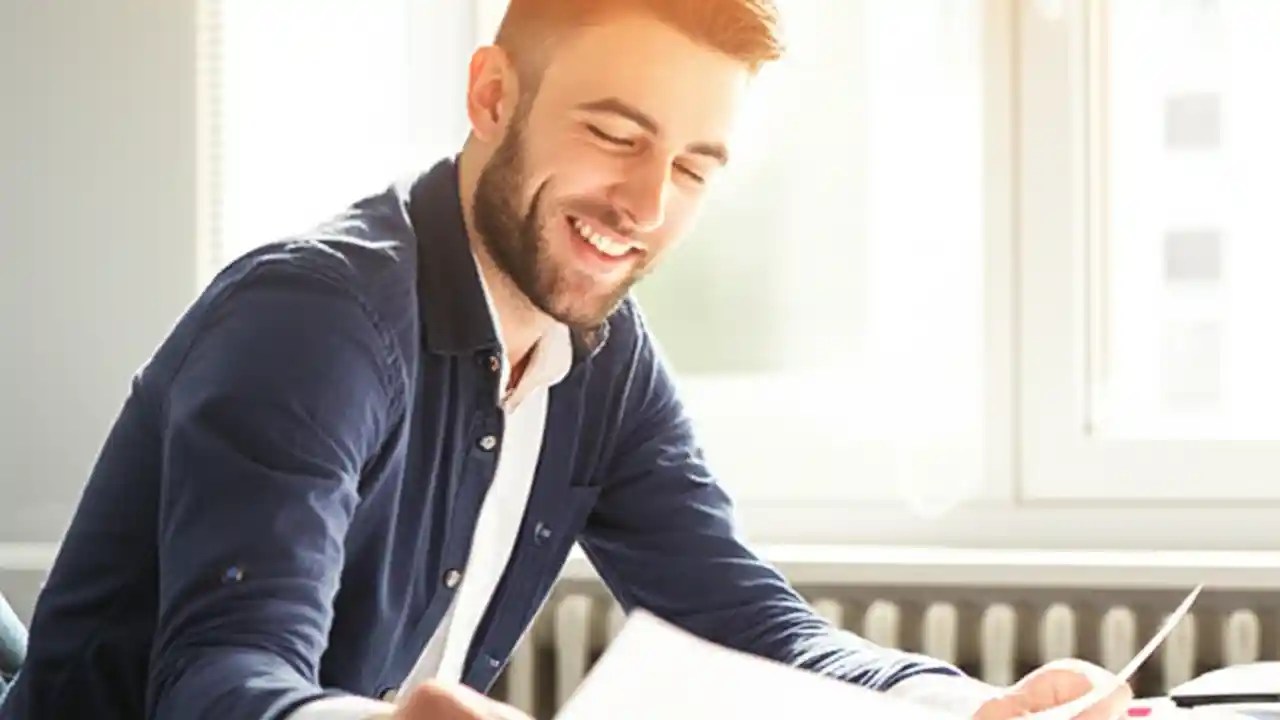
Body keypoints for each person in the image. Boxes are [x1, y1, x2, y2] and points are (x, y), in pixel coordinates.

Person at [0, 1, 1134, 718]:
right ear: (491, 95)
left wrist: (972, 703)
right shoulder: (315, 320)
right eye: (614, 135)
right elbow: (217, 681)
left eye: (692, 167)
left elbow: (752, 626)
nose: (644, 205)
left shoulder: (598, 355)